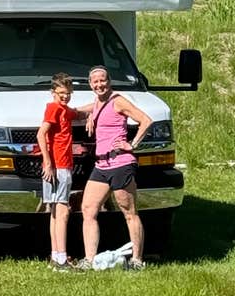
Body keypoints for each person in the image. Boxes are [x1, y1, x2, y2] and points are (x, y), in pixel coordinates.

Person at [81, 64, 152, 270]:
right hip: (101, 165)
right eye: (95, 82)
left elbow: (146, 120)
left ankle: (137, 261)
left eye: (103, 80)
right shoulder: (97, 102)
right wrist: (70, 111)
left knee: (129, 212)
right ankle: (89, 259)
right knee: (88, 209)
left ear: (109, 81)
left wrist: (133, 145)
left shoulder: (118, 101)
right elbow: (86, 108)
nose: (99, 85)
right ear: (90, 85)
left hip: (121, 163)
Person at [37, 72, 79, 267]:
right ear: (53, 92)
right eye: (61, 92)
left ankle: (55, 256)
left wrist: (96, 108)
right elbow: (41, 134)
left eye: (68, 92)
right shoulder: (53, 109)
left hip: (60, 166)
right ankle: (62, 258)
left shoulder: (64, 110)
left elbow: (79, 112)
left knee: (54, 212)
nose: (65, 96)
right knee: (62, 212)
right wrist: (48, 162)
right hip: (58, 166)